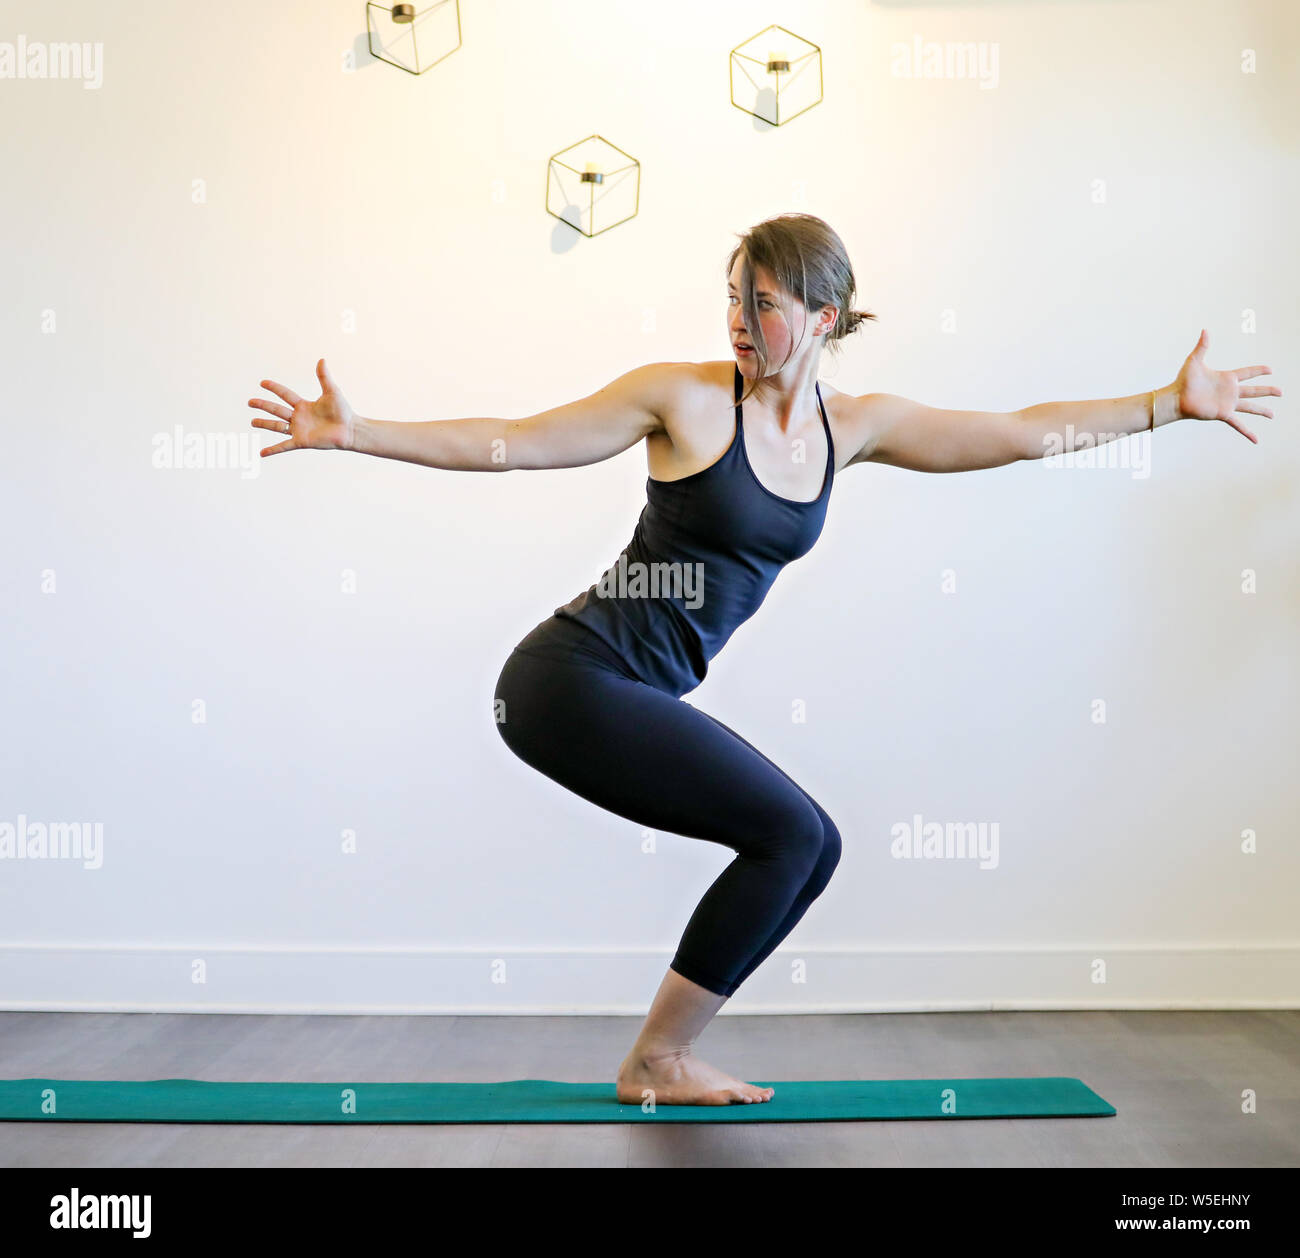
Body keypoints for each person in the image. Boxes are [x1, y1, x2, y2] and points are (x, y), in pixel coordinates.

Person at [249, 212, 1280, 1105]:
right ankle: (658, 1058)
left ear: (825, 318)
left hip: (629, 687)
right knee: (792, 831)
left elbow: (1014, 432)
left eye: (766, 303)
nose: (740, 322)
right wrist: (359, 432)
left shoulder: (853, 429)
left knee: (810, 846)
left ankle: (664, 1052)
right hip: (565, 678)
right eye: (733, 301)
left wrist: (1163, 404)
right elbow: (517, 440)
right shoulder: (687, 399)